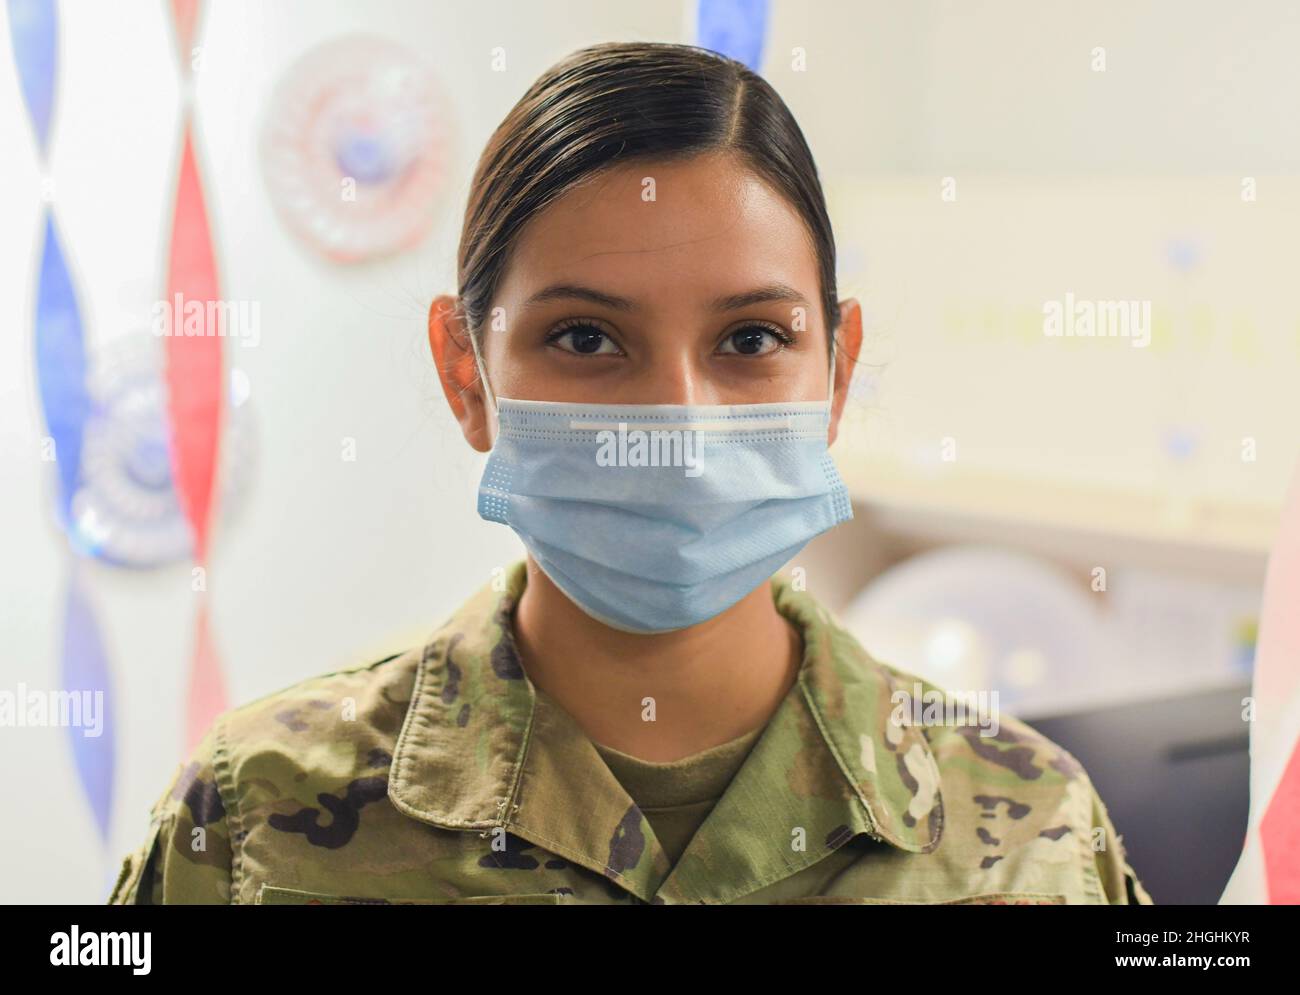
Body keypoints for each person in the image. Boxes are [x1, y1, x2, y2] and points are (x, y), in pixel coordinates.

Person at [108, 40, 1152, 905]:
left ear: (834, 374)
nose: (677, 422)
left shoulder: (1029, 829)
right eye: (585, 337)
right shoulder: (254, 821)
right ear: (465, 372)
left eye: (749, 339)